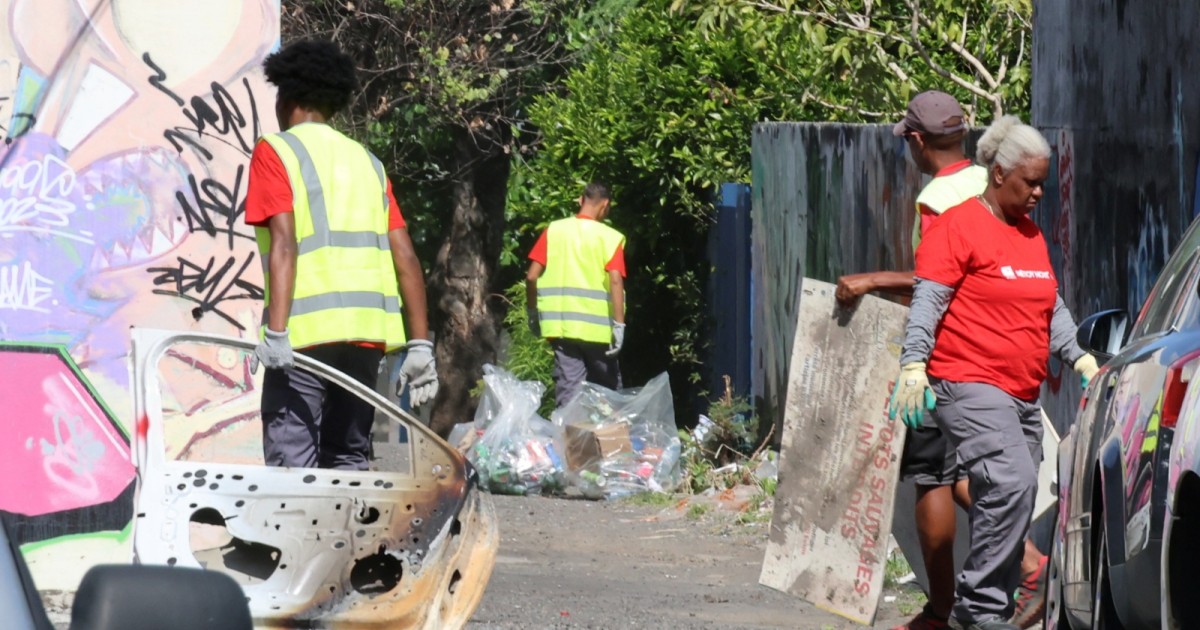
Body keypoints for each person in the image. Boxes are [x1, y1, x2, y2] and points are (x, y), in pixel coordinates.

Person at [838, 91, 1046, 630]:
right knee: (984, 473)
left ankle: (952, 605)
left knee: (931, 475)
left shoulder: (938, 197)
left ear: (916, 140)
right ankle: (1008, 579)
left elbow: (936, 279)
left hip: (950, 360)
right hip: (996, 364)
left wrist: (872, 281)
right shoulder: (987, 179)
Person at [888, 115, 1099, 630]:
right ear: (999, 174)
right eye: (1031, 182)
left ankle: (989, 608)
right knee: (1013, 481)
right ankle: (979, 608)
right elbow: (928, 302)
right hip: (968, 383)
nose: (1039, 193)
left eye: (1043, 182)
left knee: (1006, 499)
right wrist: (913, 364)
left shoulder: (1029, 235)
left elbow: (1049, 304)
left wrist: (1079, 356)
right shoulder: (958, 226)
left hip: (1021, 393)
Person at [245, 40, 438, 470]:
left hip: (304, 338)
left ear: (285, 98)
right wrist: (420, 344)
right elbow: (405, 256)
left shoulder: (276, 151)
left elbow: (284, 243)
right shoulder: (369, 162)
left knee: (293, 462)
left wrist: (276, 332)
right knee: (348, 458)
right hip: (365, 338)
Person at [525, 183, 627, 408]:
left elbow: (531, 277)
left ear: (581, 200)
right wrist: (619, 325)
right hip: (598, 332)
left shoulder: (554, 231)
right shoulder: (610, 238)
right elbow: (615, 280)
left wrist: (533, 312)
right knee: (607, 397)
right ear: (605, 205)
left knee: (569, 392)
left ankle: (567, 430)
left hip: (562, 329)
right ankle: (608, 431)